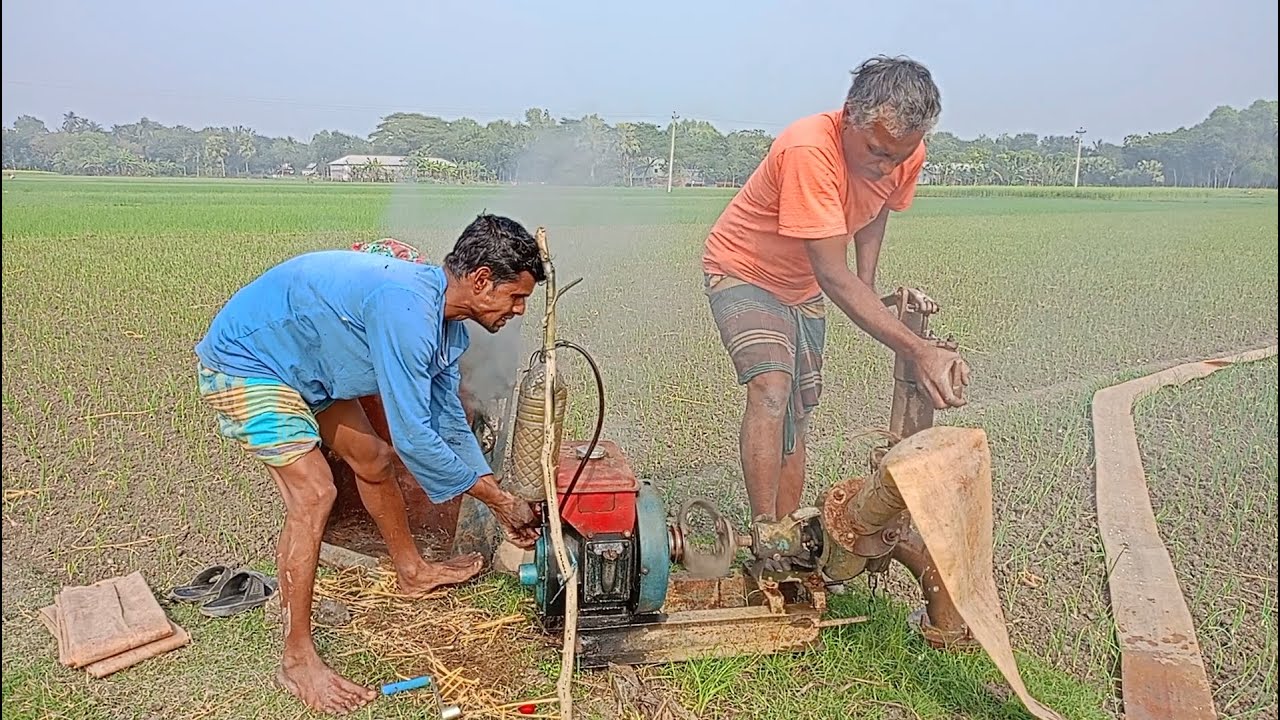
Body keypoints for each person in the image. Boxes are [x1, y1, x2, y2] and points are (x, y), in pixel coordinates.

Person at [194, 213, 545, 715]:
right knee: (314, 494)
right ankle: (296, 659)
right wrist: (499, 500)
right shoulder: (406, 309)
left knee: (373, 458)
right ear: (482, 280)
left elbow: (447, 423)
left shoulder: (447, 328)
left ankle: (411, 570)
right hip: (249, 360)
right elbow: (415, 435)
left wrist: (498, 500)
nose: (519, 310)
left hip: (307, 364)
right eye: (516, 297)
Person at [701, 55, 971, 530]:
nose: (887, 165)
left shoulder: (905, 151)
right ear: (849, 116)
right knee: (771, 388)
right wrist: (919, 351)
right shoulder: (809, 150)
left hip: (801, 286)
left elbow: (878, 205)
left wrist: (867, 282)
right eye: (876, 150)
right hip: (744, 269)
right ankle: (765, 531)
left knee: (797, 414)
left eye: (900, 156)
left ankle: (787, 535)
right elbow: (830, 272)